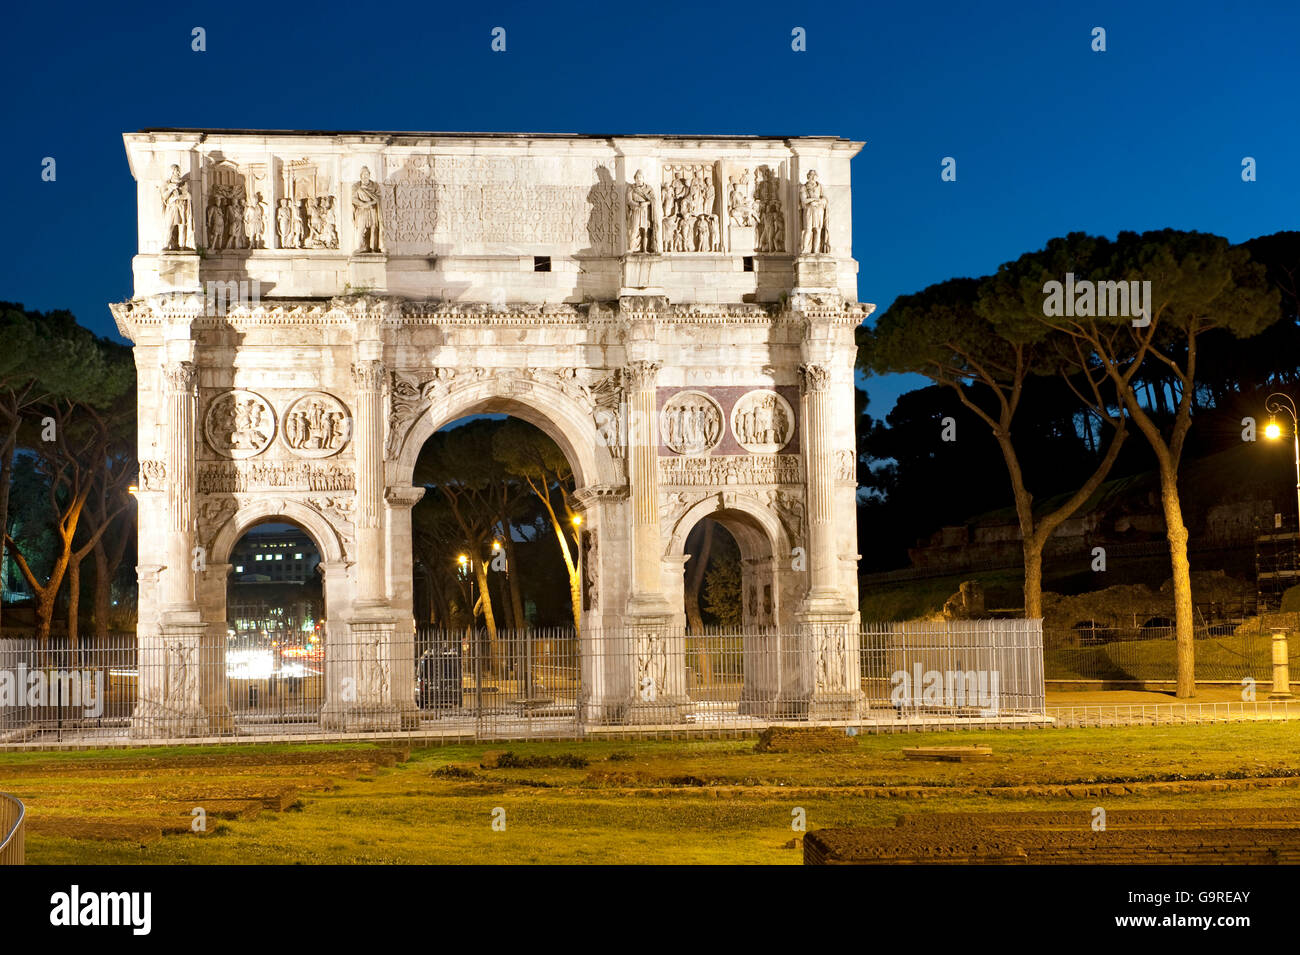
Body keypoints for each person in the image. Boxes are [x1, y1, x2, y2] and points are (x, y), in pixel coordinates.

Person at [352, 166, 382, 252]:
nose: (365, 176)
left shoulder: (375, 186)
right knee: (361, 229)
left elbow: (378, 197)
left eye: (367, 174)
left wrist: (370, 203)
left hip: (372, 210)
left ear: (369, 175)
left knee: (373, 228)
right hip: (362, 210)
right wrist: (362, 204)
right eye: (363, 175)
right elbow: (353, 198)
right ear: (360, 176)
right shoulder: (356, 186)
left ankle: (373, 247)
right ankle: (361, 247)